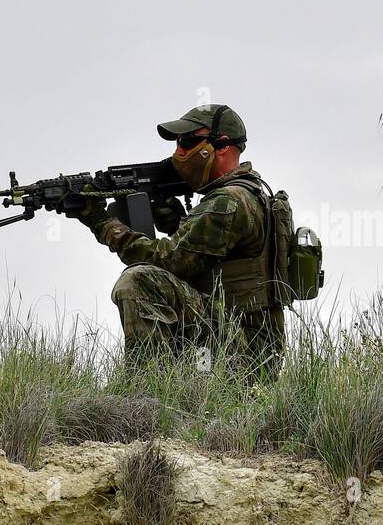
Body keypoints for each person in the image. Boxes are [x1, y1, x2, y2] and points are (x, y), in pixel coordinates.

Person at [59, 104, 284, 372]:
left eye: (188, 142)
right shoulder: (250, 193)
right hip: (253, 345)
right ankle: (179, 385)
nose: (179, 152)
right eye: (178, 143)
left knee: (139, 281)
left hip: (244, 353)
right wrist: (178, 223)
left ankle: (149, 391)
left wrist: (102, 224)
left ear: (222, 145)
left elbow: (168, 262)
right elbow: (209, 265)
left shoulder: (228, 202)